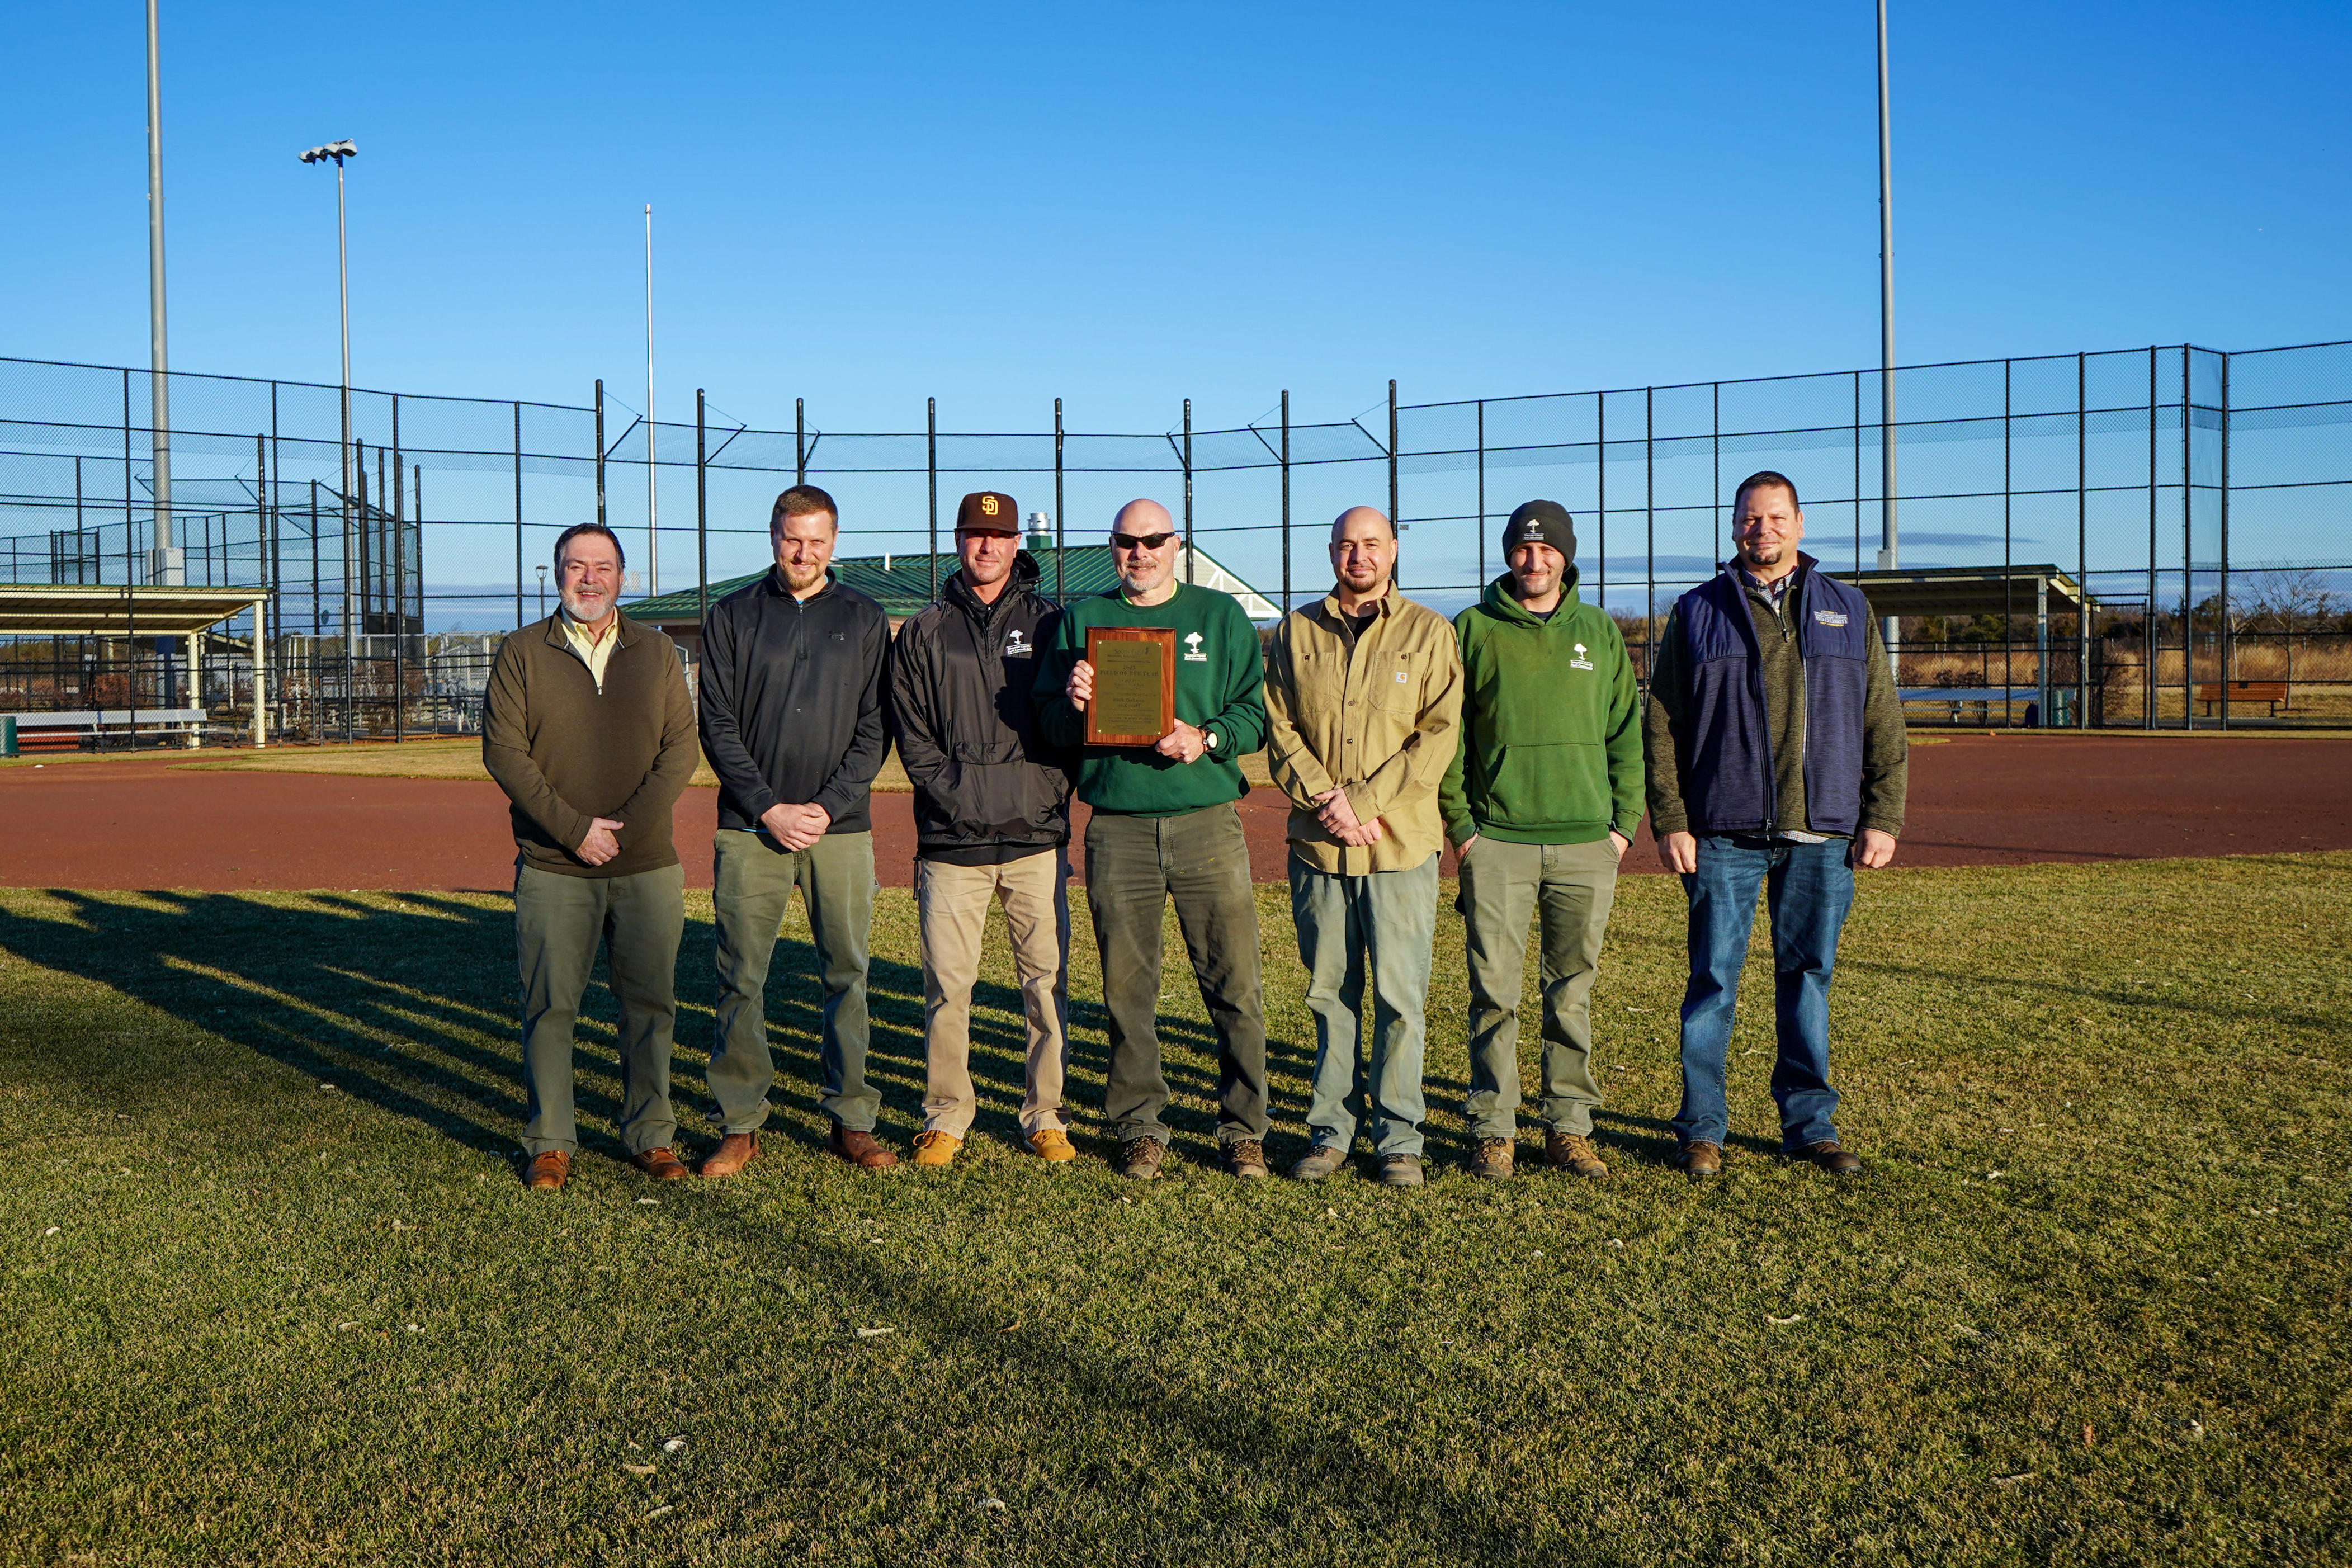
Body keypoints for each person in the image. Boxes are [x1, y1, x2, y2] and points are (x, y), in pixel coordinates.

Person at [1643, 470, 1907, 1178]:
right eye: (1750, 518)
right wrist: (1671, 819)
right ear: (1735, 525)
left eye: (1775, 516)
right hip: (1722, 834)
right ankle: (1702, 1129)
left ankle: (1810, 1126)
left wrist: (1882, 816)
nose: (1762, 529)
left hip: (1821, 833)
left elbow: (1882, 718)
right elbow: (1662, 723)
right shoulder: (1696, 610)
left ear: (1799, 523)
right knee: (1712, 983)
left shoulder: (1848, 607)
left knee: (1808, 979)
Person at [1032, 499, 1271, 1180]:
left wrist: (1208, 736)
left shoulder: (1219, 615)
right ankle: (1140, 1124)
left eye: (1153, 540)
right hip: (1118, 825)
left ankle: (1244, 1128)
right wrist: (1073, 703)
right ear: (1112, 547)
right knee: (1127, 991)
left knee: (1234, 984)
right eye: (1126, 541)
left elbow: (1254, 715)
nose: (1140, 552)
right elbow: (1047, 724)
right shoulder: (1082, 619)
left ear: (1176, 544)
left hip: (1206, 821)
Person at [482, 522, 699, 1191]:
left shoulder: (656, 651)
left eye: (603, 567)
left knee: (651, 1005)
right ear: (557, 574)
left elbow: (680, 750)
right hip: (554, 863)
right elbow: (505, 753)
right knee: (550, 1006)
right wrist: (576, 830)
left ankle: (650, 1133)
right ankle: (550, 1140)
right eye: (576, 566)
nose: (590, 578)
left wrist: (621, 833)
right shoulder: (522, 651)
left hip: (646, 863)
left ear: (623, 578)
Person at [1439, 500, 1643, 1182]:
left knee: (1571, 992)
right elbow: (1451, 739)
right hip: (1498, 841)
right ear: (1509, 554)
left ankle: (1568, 1127)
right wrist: (1464, 830)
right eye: (1523, 548)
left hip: (1586, 843)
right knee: (1494, 994)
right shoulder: (1473, 627)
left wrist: (1621, 826)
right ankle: (1494, 1129)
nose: (1535, 559)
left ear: (1566, 555)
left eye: (1547, 548)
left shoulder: (1599, 631)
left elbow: (1626, 732)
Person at [697, 484, 895, 1175]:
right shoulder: (732, 614)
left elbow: (876, 726)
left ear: (834, 542)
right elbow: (716, 724)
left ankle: (852, 1118)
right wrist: (768, 807)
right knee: (740, 976)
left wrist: (829, 805)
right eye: (792, 538)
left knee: (848, 974)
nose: (803, 552)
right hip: (751, 827)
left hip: (839, 829)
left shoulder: (865, 616)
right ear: (773, 536)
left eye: (816, 540)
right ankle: (740, 1120)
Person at [1263, 506, 1462, 1188]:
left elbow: (1438, 734)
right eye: (1347, 544)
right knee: (1329, 995)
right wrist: (1332, 803)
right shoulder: (1296, 631)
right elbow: (1279, 727)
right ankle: (1330, 1133)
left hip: (1400, 847)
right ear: (1331, 552)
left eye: (1372, 544)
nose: (1359, 555)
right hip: (1320, 847)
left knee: (1401, 1000)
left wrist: (1366, 802)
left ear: (1393, 550)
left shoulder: (1430, 632)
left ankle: (1399, 1139)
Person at [889, 490, 1076, 1168]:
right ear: (959, 541)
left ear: (1016, 544)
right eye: (975, 534)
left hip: (1036, 835)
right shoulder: (925, 630)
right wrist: (962, 796)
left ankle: (1045, 1114)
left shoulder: (1054, 623)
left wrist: (1042, 791)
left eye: (998, 535)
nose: (987, 545)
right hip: (952, 841)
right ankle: (947, 1114)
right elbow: (912, 735)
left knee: (1045, 985)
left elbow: (1073, 722)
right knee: (948, 988)